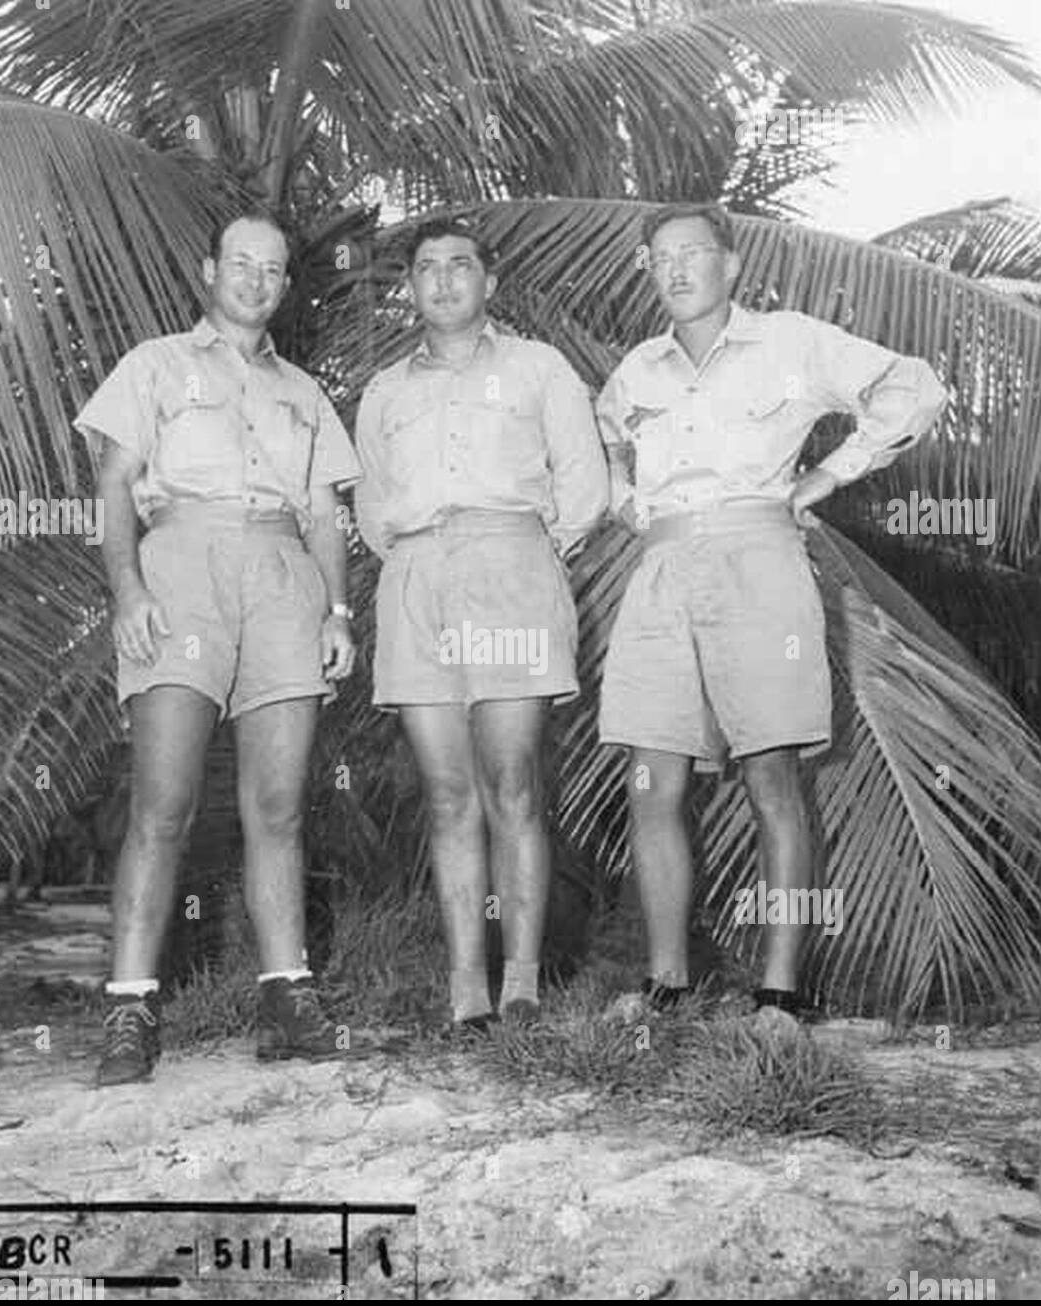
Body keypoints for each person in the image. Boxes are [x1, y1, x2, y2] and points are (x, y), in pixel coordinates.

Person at [596, 201, 947, 1028]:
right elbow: (601, 444)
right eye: (658, 257)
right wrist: (623, 503)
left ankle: (778, 996)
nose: (675, 269)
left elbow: (912, 388)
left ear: (730, 265)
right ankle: (665, 987)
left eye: (692, 253)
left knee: (771, 779)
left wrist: (826, 477)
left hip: (761, 565)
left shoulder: (788, 342)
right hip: (660, 575)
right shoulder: (634, 371)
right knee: (651, 781)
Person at [75, 210, 361, 1085]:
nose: (255, 280)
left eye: (272, 270)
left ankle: (288, 993)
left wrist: (337, 615)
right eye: (240, 263)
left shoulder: (304, 392)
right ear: (210, 270)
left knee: (276, 807)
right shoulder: (155, 365)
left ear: (284, 285)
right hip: (181, 570)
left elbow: (323, 514)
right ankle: (130, 1006)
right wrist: (127, 592)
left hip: (282, 577)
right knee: (162, 804)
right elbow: (114, 481)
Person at [355, 216, 608, 1033]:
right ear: (411, 286)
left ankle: (523, 983)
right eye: (425, 268)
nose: (442, 281)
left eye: (459, 265)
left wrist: (527, 551)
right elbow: (369, 505)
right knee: (447, 793)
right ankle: (467, 985)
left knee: (513, 785)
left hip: (513, 572)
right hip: (417, 581)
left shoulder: (540, 368)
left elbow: (584, 483)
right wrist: (428, 555)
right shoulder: (385, 390)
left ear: (488, 280)